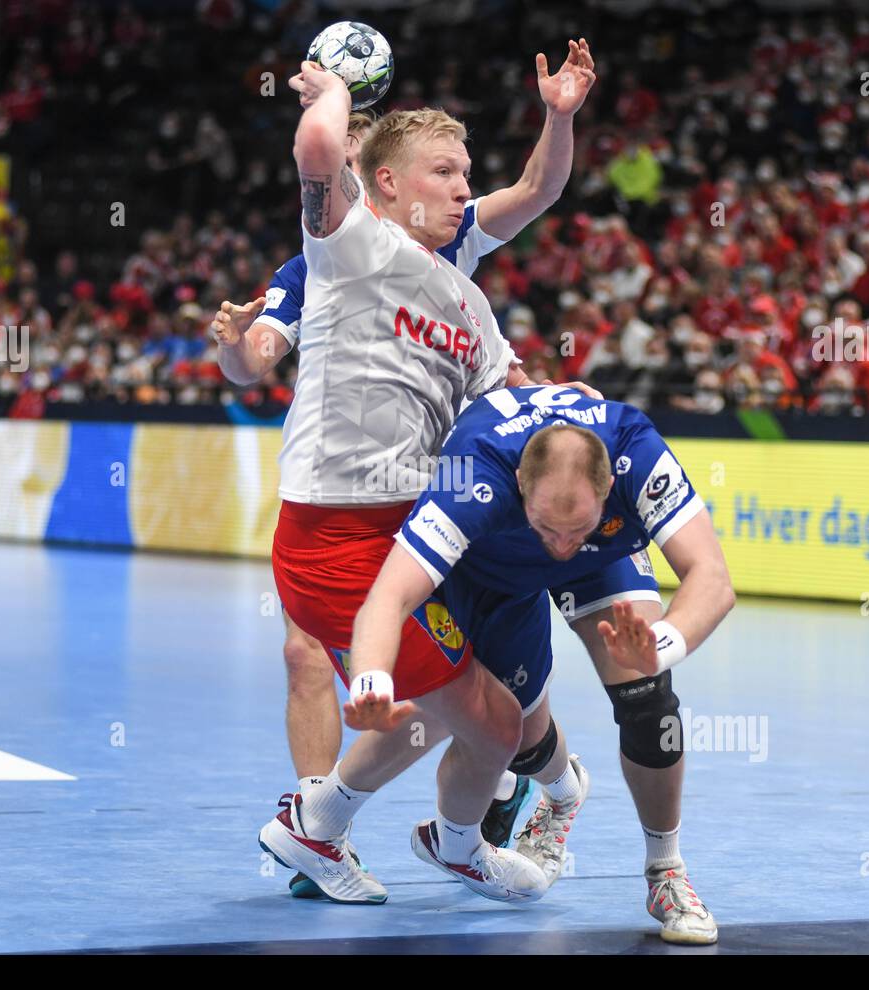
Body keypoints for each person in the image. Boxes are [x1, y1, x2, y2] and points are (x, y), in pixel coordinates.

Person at [215, 41, 598, 898]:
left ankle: (338, 824)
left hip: (424, 522)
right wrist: (328, 94)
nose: (466, 188)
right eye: (446, 171)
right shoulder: (334, 250)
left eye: (467, 172)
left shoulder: (465, 285)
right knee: (333, 664)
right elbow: (255, 359)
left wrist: (573, 412)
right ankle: (337, 829)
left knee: (474, 714)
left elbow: (515, 388)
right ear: (378, 178)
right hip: (342, 519)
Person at [345, 384, 735, 942]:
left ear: (609, 489)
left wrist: (662, 644)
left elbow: (712, 578)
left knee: (649, 700)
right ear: (521, 485)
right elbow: (389, 595)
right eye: (549, 527)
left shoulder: (637, 452)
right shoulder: (476, 472)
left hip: (604, 555)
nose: (561, 544)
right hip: (498, 567)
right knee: (516, 739)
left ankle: (665, 870)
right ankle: (561, 786)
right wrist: (373, 677)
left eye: (575, 526)